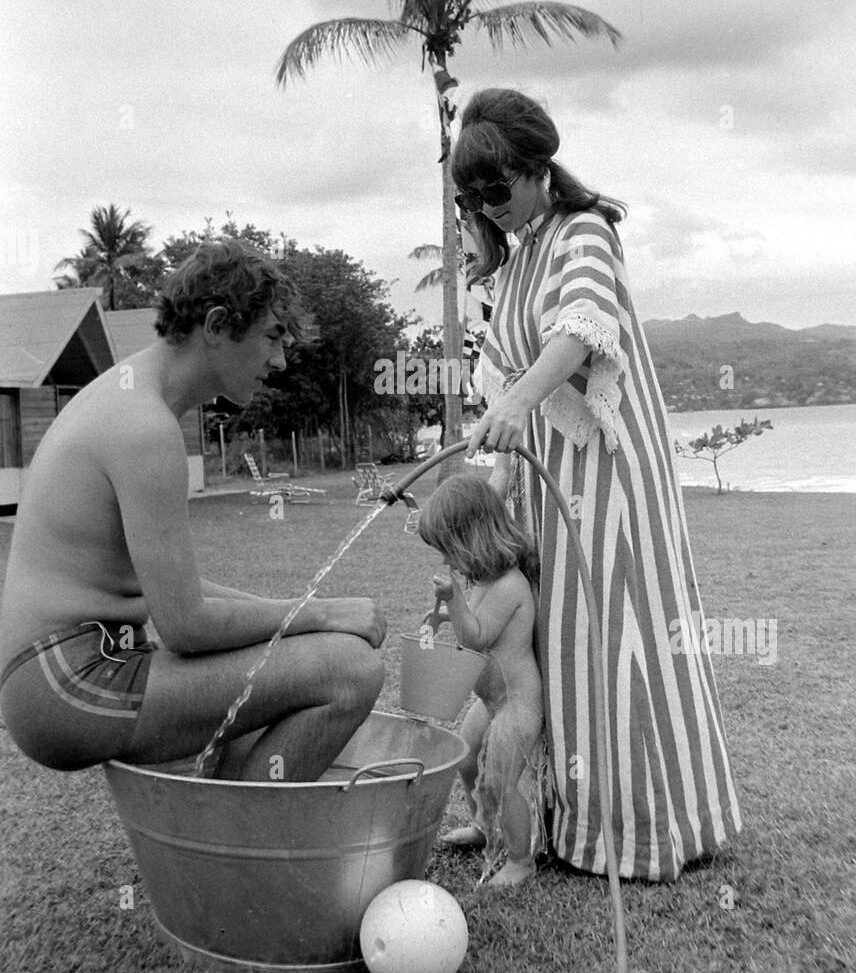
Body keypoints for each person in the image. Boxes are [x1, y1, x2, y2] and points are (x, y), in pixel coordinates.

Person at [453, 88, 741, 882]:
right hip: (548, 479)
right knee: (561, 643)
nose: (489, 205)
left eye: (499, 187)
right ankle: (556, 819)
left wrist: (519, 402)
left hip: (609, 472)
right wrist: (500, 468)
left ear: (538, 165)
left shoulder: (584, 232)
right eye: (473, 196)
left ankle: (642, 828)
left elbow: (579, 334)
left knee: (616, 638)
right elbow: (506, 374)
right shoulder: (514, 262)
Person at [0, 240, 385, 778]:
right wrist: (321, 615)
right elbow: (185, 626)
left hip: (70, 667)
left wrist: (309, 613)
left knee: (281, 679)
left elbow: (179, 591)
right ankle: (247, 832)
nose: (279, 360)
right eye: (272, 337)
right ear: (217, 325)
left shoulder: (132, 398)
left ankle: (223, 823)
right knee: (351, 669)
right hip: (68, 681)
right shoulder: (143, 426)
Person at [417, 473, 545, 889]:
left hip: (517, 703)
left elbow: (477, 635)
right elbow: (471, 626)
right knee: (467, 759)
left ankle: (521, 861)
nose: (447, 561)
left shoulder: (509, 585)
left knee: (500, 781)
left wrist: (453, 598)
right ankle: (484, 826)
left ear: (474, 538)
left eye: (449, 550)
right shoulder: (488, 581)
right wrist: (444, 614)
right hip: (491, 701)